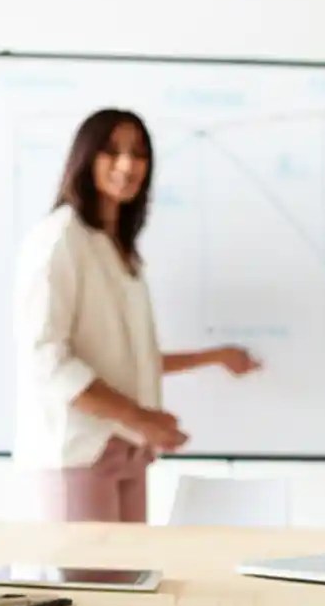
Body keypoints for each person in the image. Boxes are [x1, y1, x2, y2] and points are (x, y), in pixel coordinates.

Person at [13, 108, 261, 523]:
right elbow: (47, 360)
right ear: (85, 158)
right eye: (112, 151)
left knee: (131, 581)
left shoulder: (119, 251)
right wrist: (142, 418)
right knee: (89, 587)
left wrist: (214, 357)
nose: (128, 165)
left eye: (139, 153)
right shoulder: (59, 239)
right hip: (78, 451)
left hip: (126, 449)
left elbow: (128, 359)